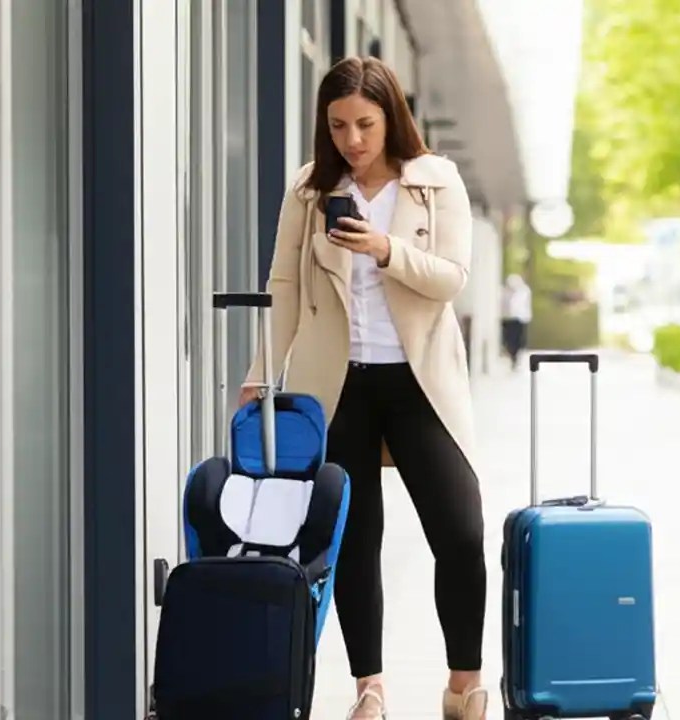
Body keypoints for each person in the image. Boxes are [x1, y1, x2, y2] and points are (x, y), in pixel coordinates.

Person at [238, 56, 487, 720]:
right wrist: (262, 373)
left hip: (421, 384)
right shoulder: (309, 190)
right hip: (338, 384)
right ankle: (368, 689)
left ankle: (464, 684)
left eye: (366, 123)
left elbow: (451, 278)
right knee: (355, 539)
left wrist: (384, 249)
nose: (353, 139)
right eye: (339, 125)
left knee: (460, 531)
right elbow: (284, 286)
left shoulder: (436, 183)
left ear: (391, 117)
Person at [500, 273, 531, 370]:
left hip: (519, 319)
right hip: (508, 318)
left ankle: (515, 356)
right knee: (509, 338)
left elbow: (524, 306)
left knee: (518, 339)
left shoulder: (524, 291)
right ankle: (511, 353)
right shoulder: (503, 291)